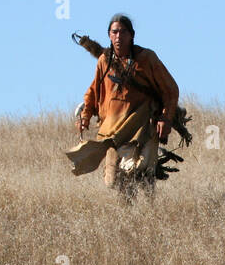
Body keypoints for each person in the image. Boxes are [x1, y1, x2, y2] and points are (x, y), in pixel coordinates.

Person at [66, 13, 180, 197]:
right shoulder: (105, 61)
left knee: (140, 173)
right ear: (109, 35)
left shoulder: (147, 58)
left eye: (123, 32)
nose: (119, 36)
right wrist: (85, 116)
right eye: (115, 32)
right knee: (112, 181)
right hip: (112, 133)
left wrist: (166, 118)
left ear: (132, 35)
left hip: (142, 127)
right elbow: (94, 92)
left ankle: (146, 214)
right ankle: (130, 209)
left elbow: (170, 89)